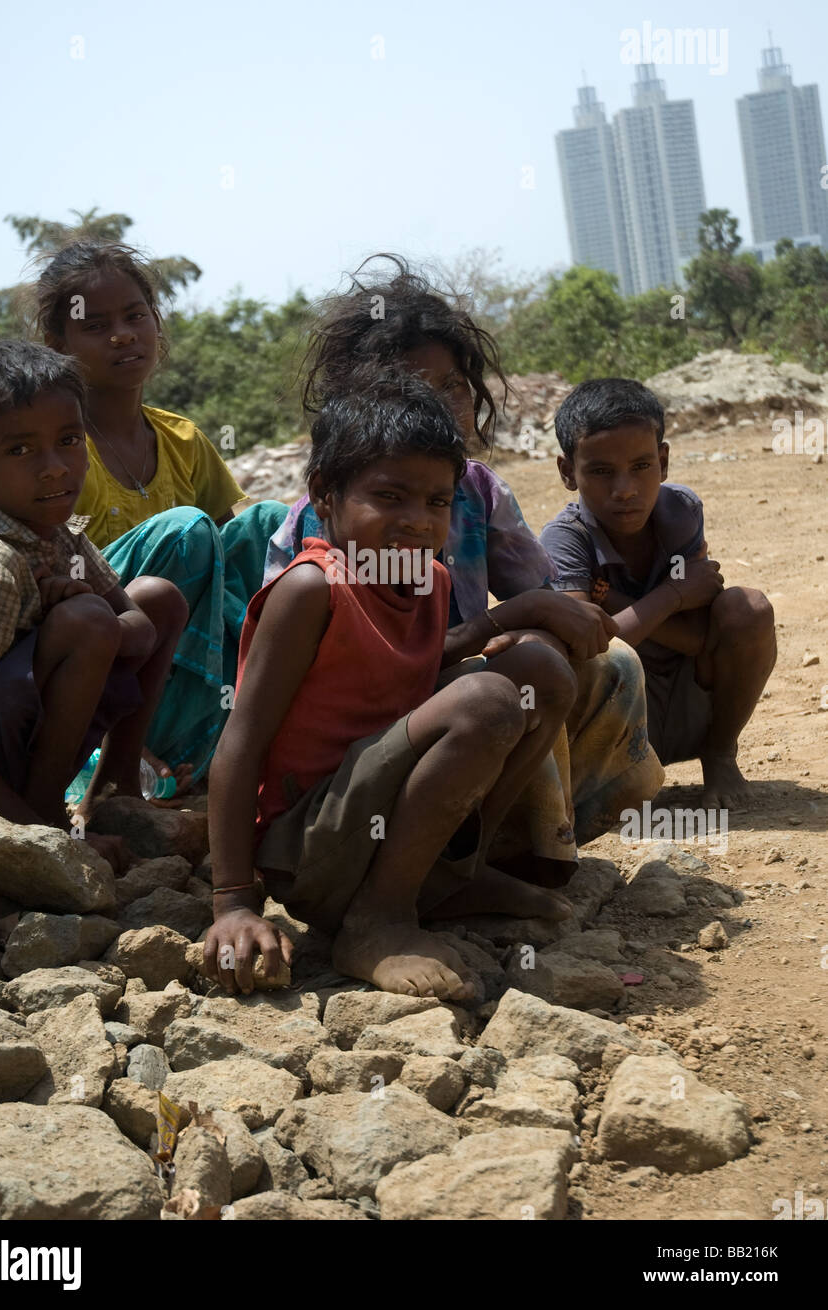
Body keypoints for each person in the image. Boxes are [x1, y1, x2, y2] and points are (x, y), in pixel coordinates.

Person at [265, 255, 663, 881]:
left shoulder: (477, 493)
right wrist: (500, 628)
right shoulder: (325, 524)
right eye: (416, 386)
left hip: (473, 697)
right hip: (370, 741)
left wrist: (531, 625)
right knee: (492, 685)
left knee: (598, 662)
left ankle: (513, 840)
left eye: (452, 384)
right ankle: (426, 869)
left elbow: (551, 601)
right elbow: (364, 679)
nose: (444, 404)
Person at [205, 369, 584, 1002]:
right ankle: (377, 920)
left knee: (541, 674)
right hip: (309, 842)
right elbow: (239, 745)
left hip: (374, 818)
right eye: (391, 497)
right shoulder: (311, 591)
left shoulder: (430, 581)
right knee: (487, 702)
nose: (417, 521)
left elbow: (415, 670)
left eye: (437, 502)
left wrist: (512, 623)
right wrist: (234, 901)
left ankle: (453, 874)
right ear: (324, 495)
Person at [34, 240, 289, 789]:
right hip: (92, 666)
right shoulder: (59, 452)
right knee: (186, 531)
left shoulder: (181, 437)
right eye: (96, 326)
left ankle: (248, 721)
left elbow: (239, 549)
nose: (123, 335)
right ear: (59, 347)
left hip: (180, 658)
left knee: (270, 523)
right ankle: (119, 752)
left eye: (134, 316)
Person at [0, 340, 188, 867]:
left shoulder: (54, 531)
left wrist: (86, 604)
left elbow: (138, 624)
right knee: (90, 621)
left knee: (158, 596)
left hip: (24, 732)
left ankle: (116, 784)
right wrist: (29, 831)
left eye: (69, 440)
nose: (55, 469)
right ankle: (47, 816)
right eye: (20, 450)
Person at [540, 377, 776, 809]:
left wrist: (612, 604)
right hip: (616, 719)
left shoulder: (680, 511)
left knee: (749, 608)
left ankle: (720, 753)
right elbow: (587, 654)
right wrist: (673, 595)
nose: (625, 489)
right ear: (566, 472)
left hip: (691, 703)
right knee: (594, 657)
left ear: (663, 462)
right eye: (600, 471)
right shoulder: (564, 540)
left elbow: (698, 638)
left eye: (641, 466)